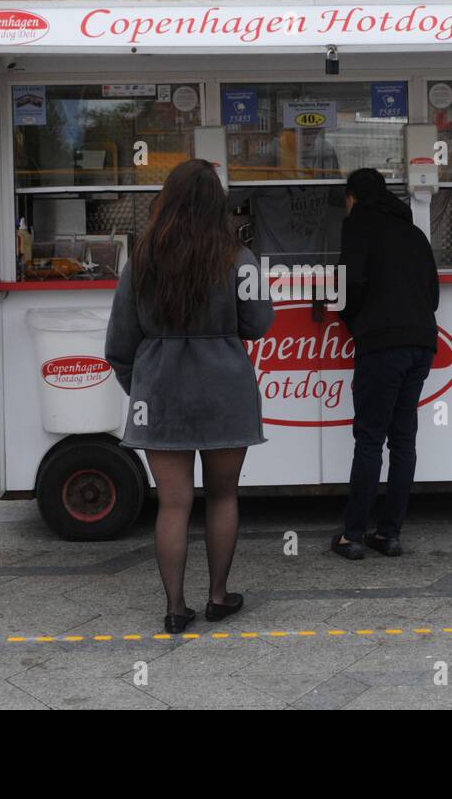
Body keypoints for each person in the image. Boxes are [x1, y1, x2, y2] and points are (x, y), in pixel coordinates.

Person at [105, 159, 274, 634]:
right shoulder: (239, 258)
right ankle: (219, 597)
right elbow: (260, 323)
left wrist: (142, 390)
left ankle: (176, 608)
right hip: (226, 389)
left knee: (173, 504)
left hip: (161, 393)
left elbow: (119, 344)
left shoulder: (141, 259)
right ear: (217, 204)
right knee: (223, 496)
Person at [332, 167, 439, 560]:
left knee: (370, 438)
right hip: (421, 344)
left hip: (382, 346)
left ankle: (354, 535)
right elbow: (432, 296)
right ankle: (390, 534)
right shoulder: (413, 233)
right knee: (404, 440)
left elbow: (349, 286)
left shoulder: (357, 226)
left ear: (352, 197)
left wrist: (356, 323)